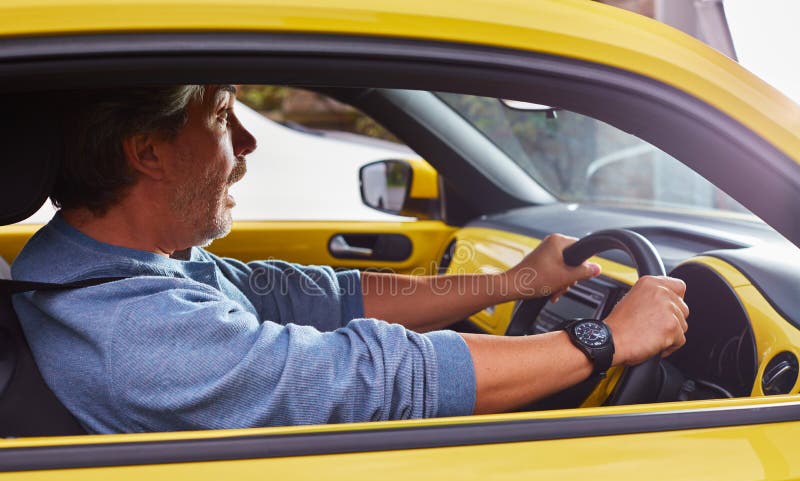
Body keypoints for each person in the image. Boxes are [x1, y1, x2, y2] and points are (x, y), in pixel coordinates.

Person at [11, 85, 689, 433]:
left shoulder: (126, 265)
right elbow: (367, 376)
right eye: (221, 117)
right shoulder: (128, 332)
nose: (247, 142)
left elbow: (317, 297)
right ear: (147, 152)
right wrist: (603, 340)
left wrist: (518, 282)